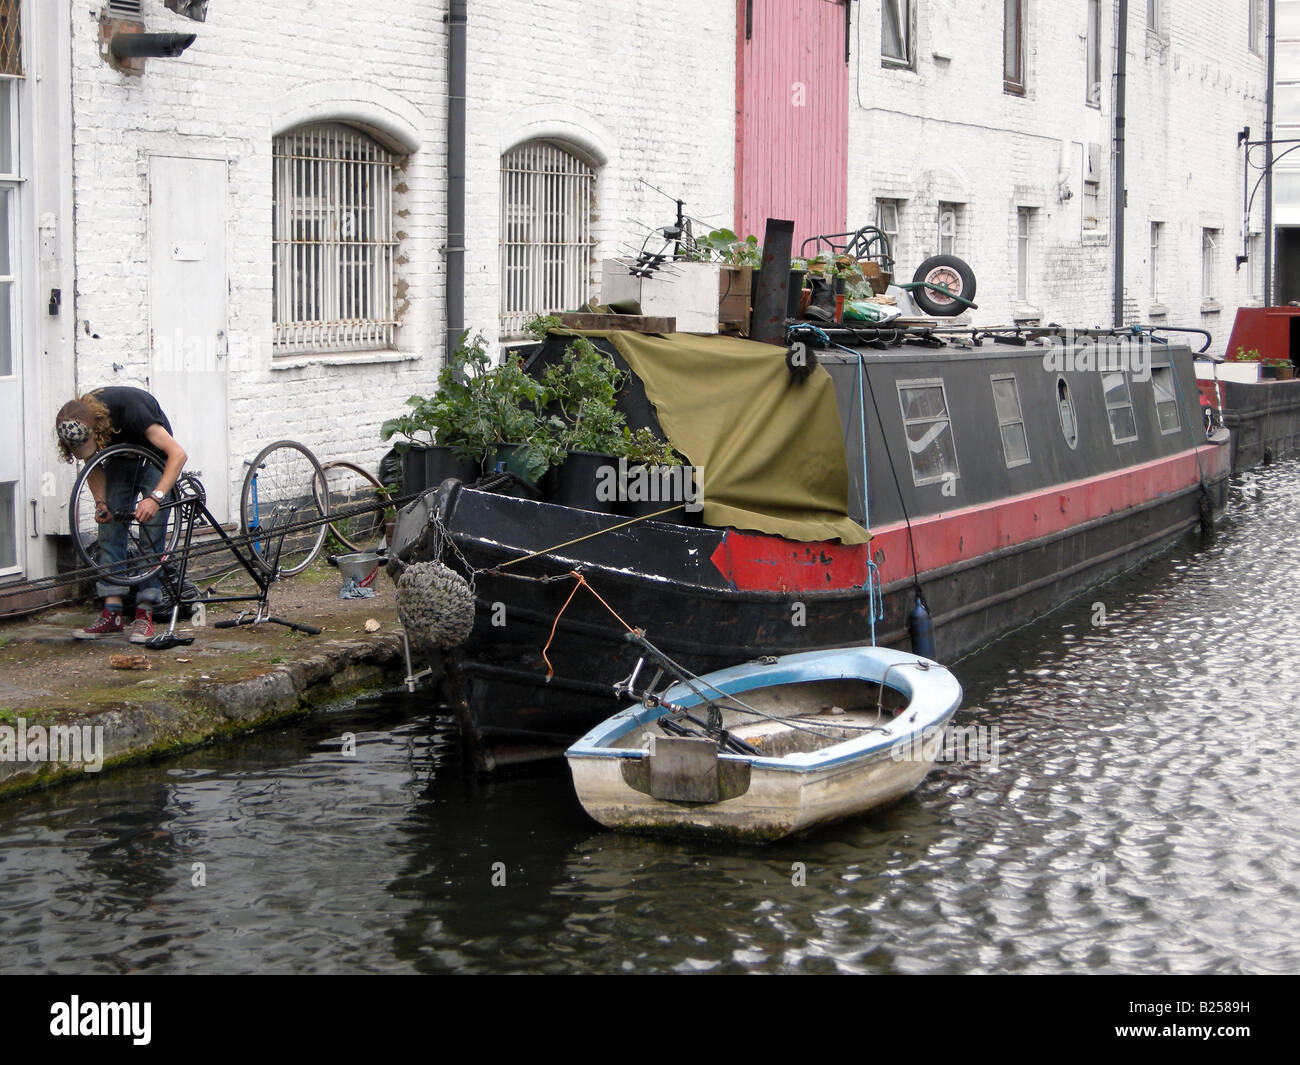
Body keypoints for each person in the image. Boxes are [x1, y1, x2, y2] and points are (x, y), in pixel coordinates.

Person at [56, 388, 188, 643]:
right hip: (120, 457)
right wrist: (101, 503)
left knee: (152, 533)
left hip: (156, 459)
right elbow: (92, 463)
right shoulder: (77, 420)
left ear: (98, 429)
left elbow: (178, 454)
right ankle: (112, 614)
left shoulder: (134, 413)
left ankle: (144, 614)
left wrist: (155, 497)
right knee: (110, 530)